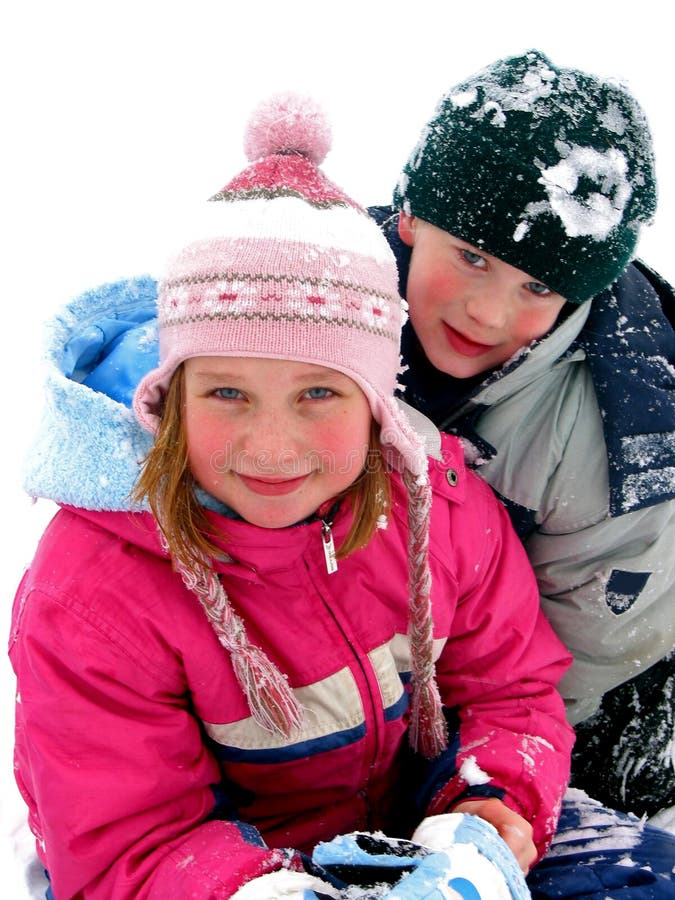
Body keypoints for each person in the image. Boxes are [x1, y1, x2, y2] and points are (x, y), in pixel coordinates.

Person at [12, 93, 675, 900]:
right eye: (226, 393)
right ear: (170, 394)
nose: (271, 446)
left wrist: (486, 816)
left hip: (412, 823)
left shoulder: (437, 500)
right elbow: (131, 842)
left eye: (318, 395)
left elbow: (508, 687)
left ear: (378, 399)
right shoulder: (96, 589)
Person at [369, 48, 675, 820]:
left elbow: (585, 649)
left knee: (587, 791)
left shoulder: (621, 435)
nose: (488, 314)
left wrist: (481, 768)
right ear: (408, 217)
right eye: (470, 257)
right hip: (396, 614)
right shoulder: (319, 293)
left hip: (598, 636)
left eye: (537, 286)